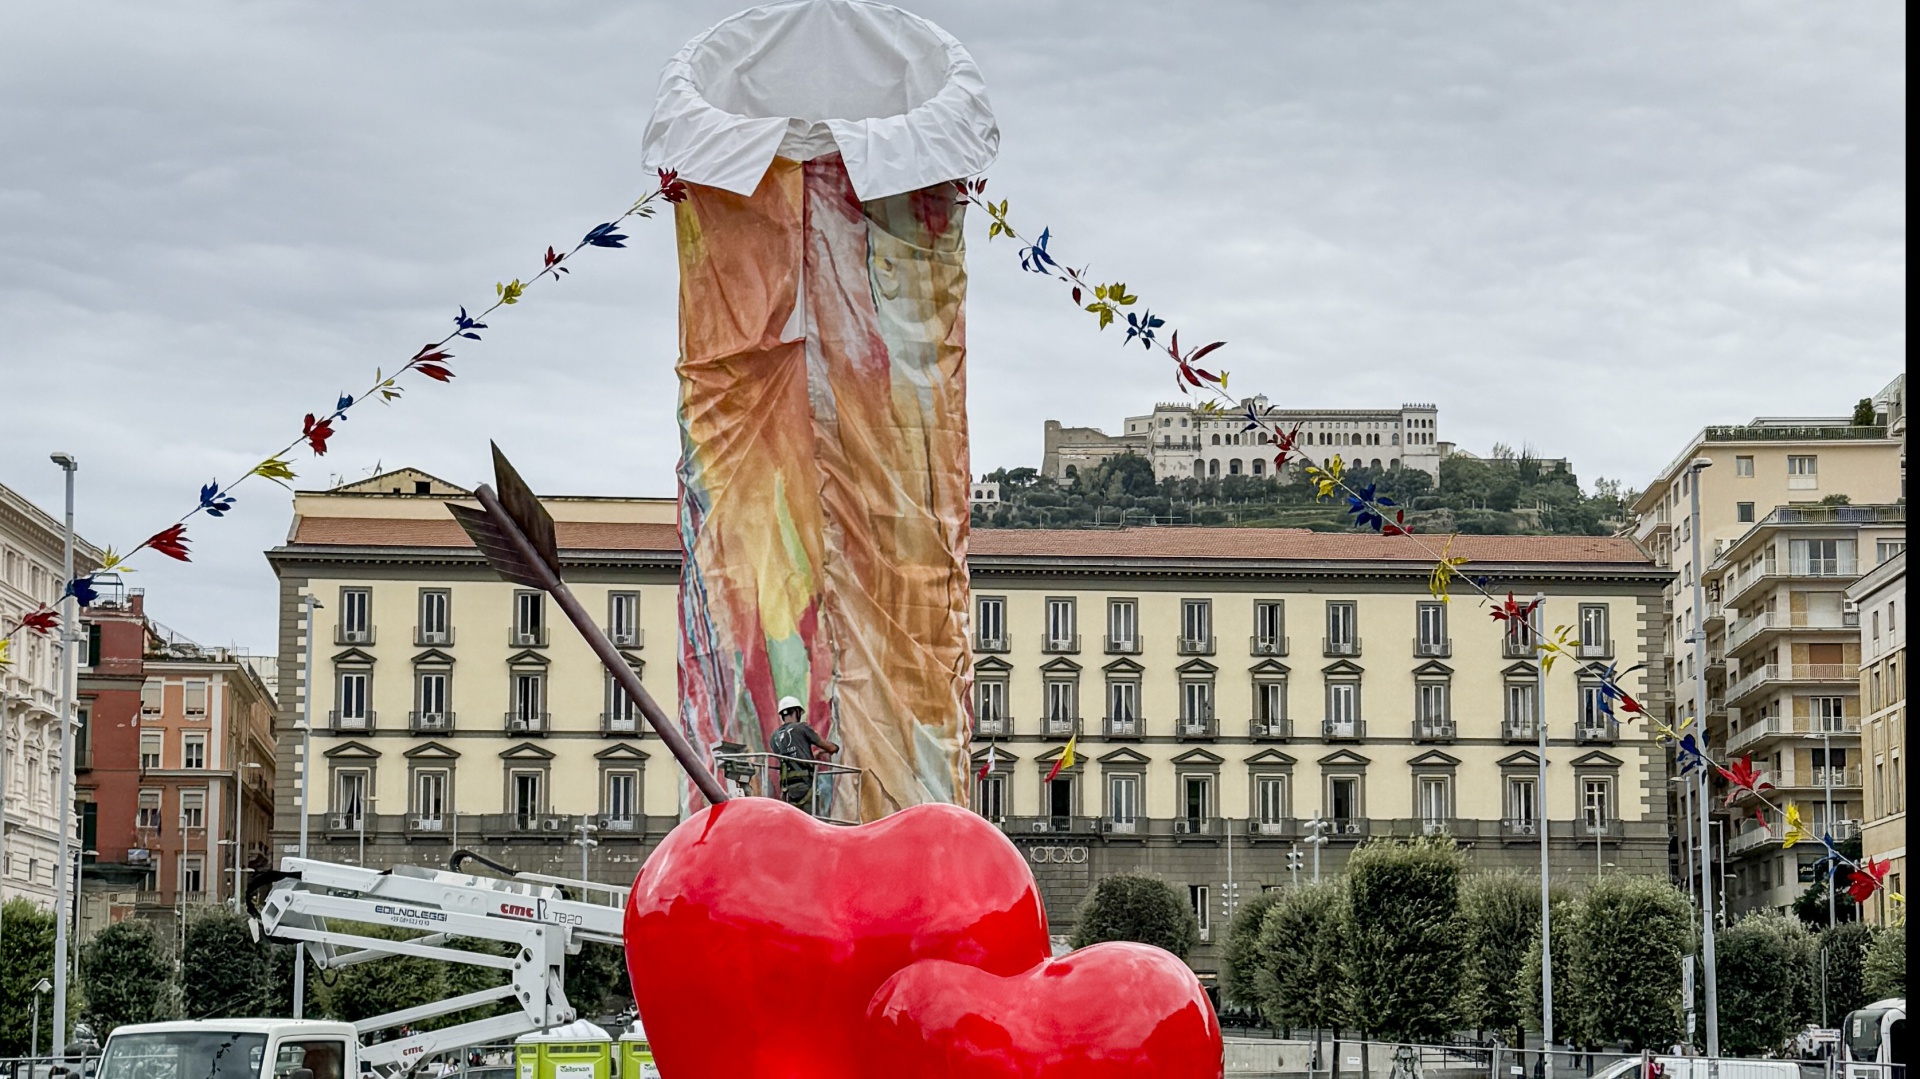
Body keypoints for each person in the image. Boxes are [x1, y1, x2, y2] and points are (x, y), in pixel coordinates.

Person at [768, 696, 838, 811]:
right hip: (804, 786)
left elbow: (789, 756)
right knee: (810, 821)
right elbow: (829, 747)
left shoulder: (774, 737)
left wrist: (813, 755)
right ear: (796, 711)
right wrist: (835, 747)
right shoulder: (801, 728)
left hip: (787, 789)